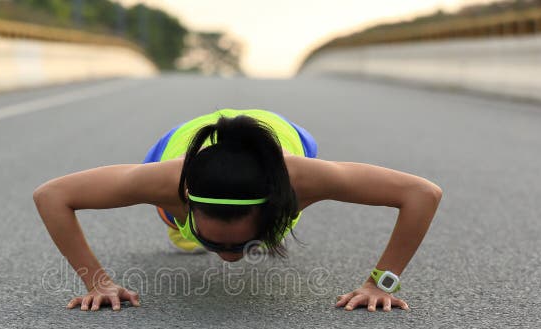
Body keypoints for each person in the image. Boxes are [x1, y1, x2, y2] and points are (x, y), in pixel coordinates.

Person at [33, 108, 442, 312]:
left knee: (245, 233)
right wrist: (97, 282)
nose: (229, 258)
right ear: (189, 199)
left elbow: (422, 193)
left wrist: (380, 284)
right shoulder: (162, 181)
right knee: (180, 232)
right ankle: (184, 227)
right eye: (215, 240)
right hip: (182, 145)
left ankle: (233, 229)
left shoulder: (309, 178)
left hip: (277, 131)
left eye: (244, 242)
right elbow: (51, 195)